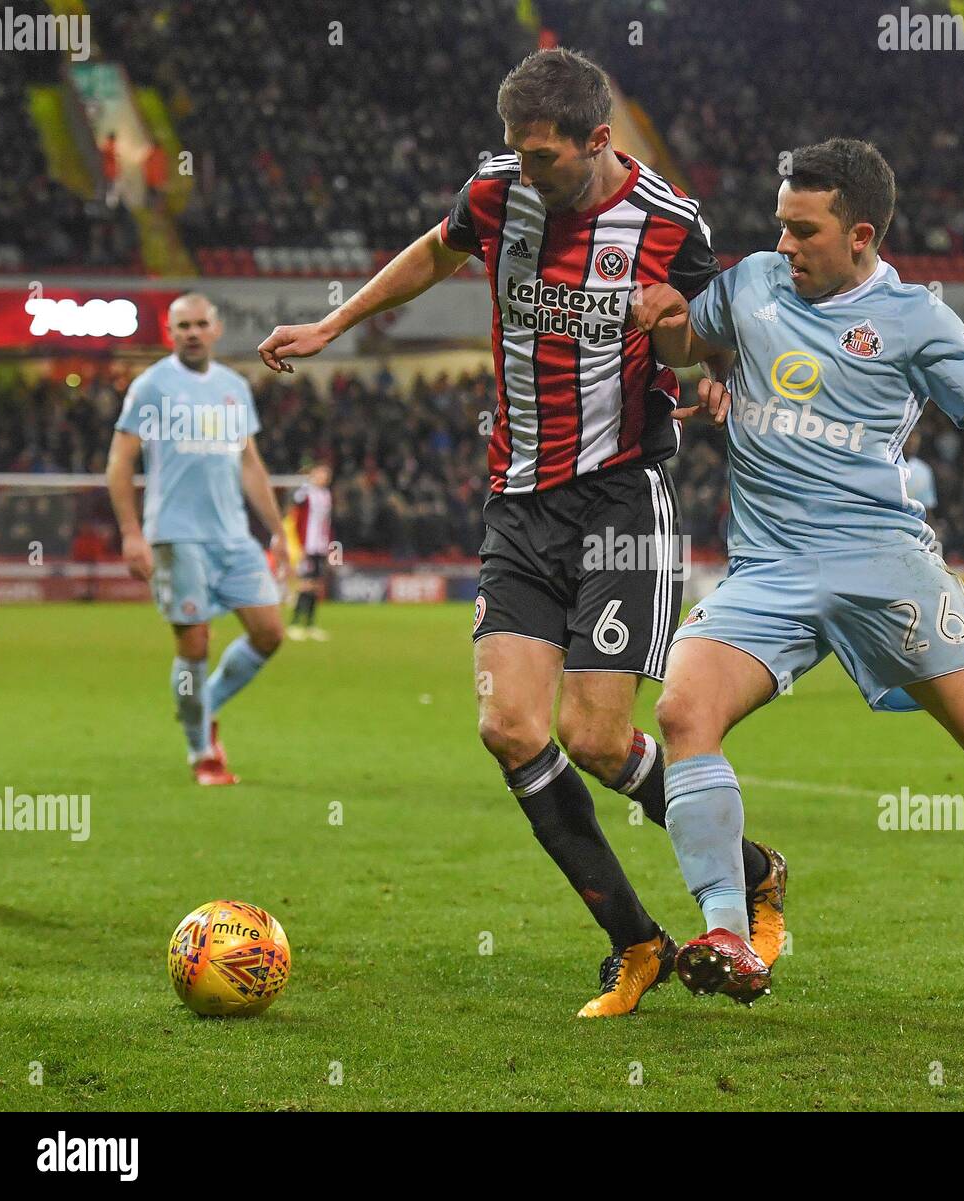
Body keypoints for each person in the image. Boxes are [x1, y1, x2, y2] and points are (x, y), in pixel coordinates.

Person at [257, 48, 786, 1017]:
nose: (524, 169)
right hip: (517, 501)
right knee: (508, 726)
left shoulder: (668, 224)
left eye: (543, 156)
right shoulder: (499, 190)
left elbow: (708, 333)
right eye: (516, 151)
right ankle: (637, 943)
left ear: (598, 140)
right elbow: (435, 248)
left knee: (595, 734)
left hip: (623, 500)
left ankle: (749, 870)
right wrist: (333, 326)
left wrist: (704, 367)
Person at [632, 137, 964, 1024]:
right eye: (781, 227)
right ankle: (728, 931)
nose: (785, 245)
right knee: (684, 710)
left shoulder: (917, 320)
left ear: (862, 235)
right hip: (769, 570)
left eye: (805, 231)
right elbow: (697, 341)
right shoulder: (755, 279)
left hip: (885, 567)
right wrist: (668, 321)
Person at [107, 293, 288, 786]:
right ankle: (200, 751)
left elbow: (250, 465)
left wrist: (276, 532)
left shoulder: (234, 387)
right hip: (175, 536)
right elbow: (119, 461)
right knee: (195, 643)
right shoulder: (151, 387)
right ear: (170, 331)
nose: (191, 332)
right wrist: (131, 533)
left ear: (216, 328)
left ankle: (201, 707)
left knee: (269, 632)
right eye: (181, 325)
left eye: (199, 323)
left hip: (232, 536)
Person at [287, 462, 334, 641]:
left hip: (320, 547)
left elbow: (328, 524)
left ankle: (310, 625)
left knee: (316, 586)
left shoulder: (326, 495)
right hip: (306, 546)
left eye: (326, 474)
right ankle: (294, 624)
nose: (324, 477)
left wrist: (331, 547)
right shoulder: (306, 493)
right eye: (321, 473)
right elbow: (296, 513)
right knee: (305, 584)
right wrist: (299, 545)